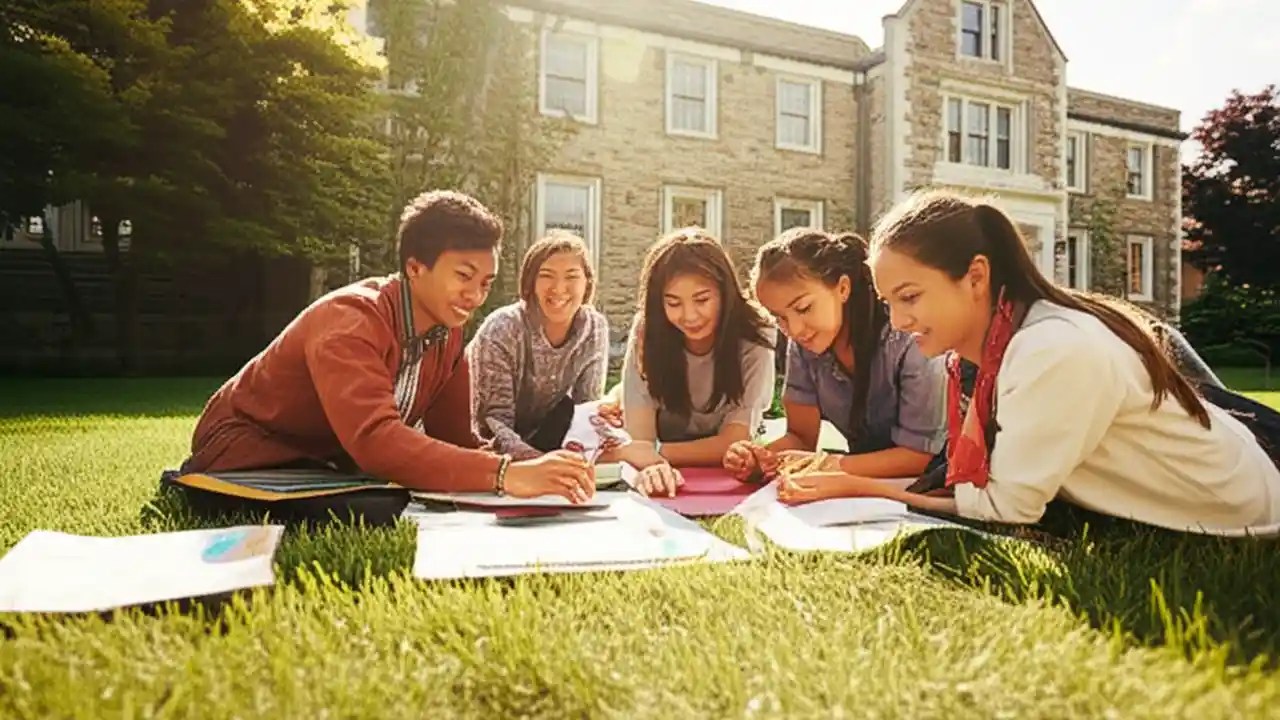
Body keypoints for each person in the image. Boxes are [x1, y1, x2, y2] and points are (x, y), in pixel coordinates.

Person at [778, 188, 1280, 537]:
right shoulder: (985, 351)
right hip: (1239, 450)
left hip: (1241, 503)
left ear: (975, 277)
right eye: (889, 302)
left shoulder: (1050, 351)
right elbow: (966, 474)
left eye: (910, 296)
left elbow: (1007, 506)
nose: (900, 320)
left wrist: (857, 484)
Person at [180, 190, 595, 504]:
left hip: (330, 464)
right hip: (246, 453)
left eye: (485, 282)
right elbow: (376, 441)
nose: (475, 295)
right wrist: (506, 473)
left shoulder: (448, 332)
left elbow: (457, 440)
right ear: (415, 267)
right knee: (377, 504)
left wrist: (540, 468)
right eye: (464, 276)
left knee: (397, 497)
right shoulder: (350, 320)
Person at [721, 228, 947, 485]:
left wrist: (830, 465)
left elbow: (920, 456)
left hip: (943, 479)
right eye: (779, 318)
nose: (794, 329)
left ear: (842, 288)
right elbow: (801, 437)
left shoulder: (908, 339)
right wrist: (761, 458)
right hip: (865, 479)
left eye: (803, 308)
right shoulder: (805, 346)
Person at [607, 228, 777, 497]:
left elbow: (734, 441)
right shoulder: (649, 332)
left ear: (725, 292)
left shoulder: (754, 334)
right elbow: (639, 437)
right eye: (673, 303)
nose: (690, 316)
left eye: (702, 300)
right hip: (662, 448)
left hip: (706, 464)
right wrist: (647, 457)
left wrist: (656, 452)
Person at [467, 231, 610, 459]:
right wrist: (539, 464)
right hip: (478, 449)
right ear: (531, 282)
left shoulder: (594, 329)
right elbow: (491, 425)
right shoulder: (502, 328)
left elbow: (586, 411)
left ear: (587, 283)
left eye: (571, 276)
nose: (559, 287)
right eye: (547, 275)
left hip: (544, 442)